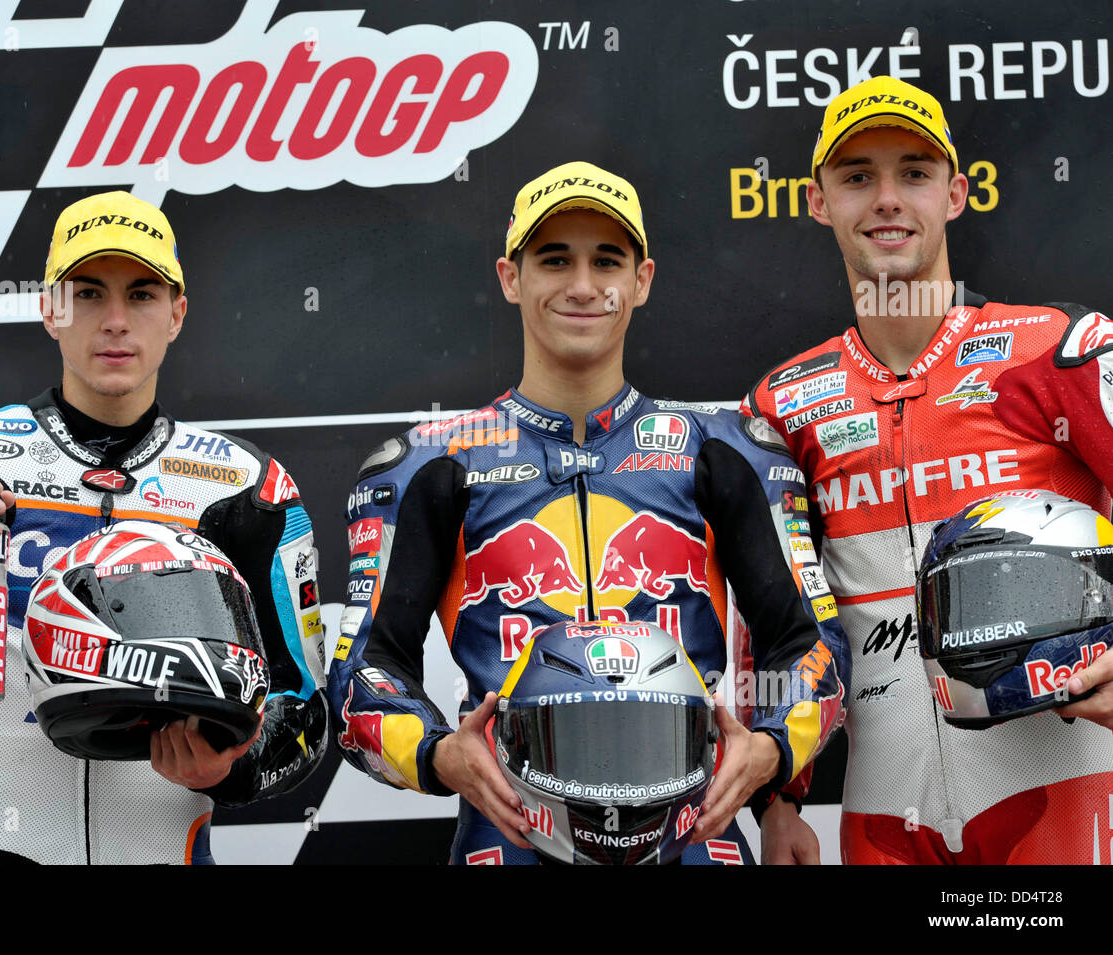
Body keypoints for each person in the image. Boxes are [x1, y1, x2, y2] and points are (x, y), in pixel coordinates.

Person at [328, 161, 849, 865]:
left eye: (607, 260)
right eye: (554, 260)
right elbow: (364, 665)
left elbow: (809, 641)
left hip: (693, 832)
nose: (581, 285)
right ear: (511, 278)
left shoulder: (726, 451)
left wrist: (771, 747)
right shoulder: (429, 464)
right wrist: (437, 752)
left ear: (642, 280)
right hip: (510, 830)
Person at [0, 191, 328, 864]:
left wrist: (228, 767)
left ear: (176, 313)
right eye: (88, 294)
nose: (115, 321)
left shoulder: (247, 488)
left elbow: (308, 718)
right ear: (49, 309)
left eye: (141, 295)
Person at [743, 75, 1113, 864]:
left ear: (957, 193)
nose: (886, 198)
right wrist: (780, 800)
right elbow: (775, 619)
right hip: (882, 815)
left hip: (1066, 782)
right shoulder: (780, 407)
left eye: (914, 172)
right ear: (816, 201)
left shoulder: (1055, 349)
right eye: (857, 177)